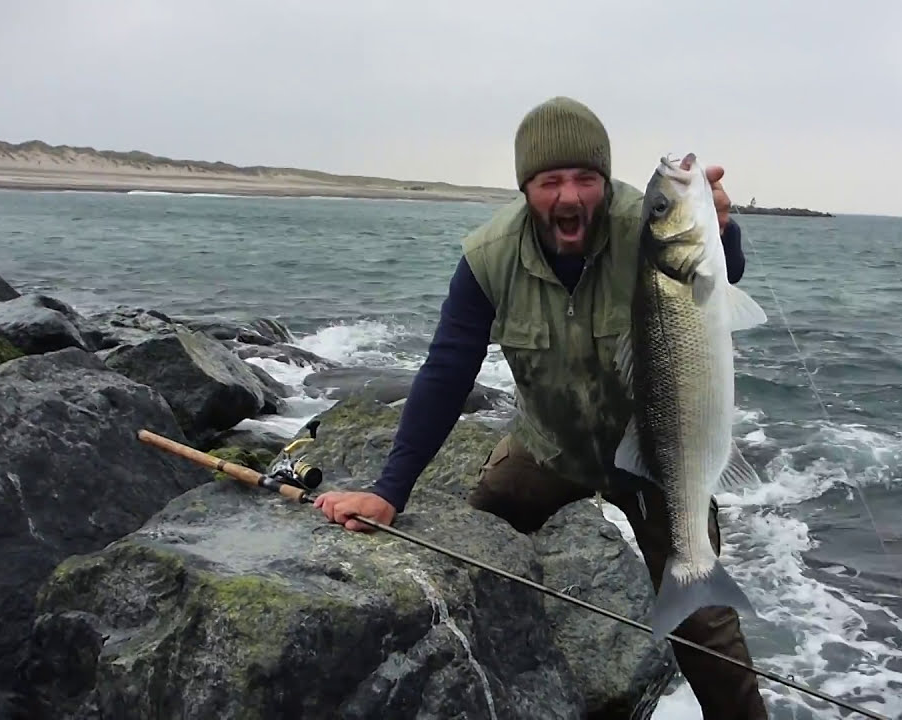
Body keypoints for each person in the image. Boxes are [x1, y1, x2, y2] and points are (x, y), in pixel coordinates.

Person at [314, 96, 768, 719]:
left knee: (707, 626)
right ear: (525, 186)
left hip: (654, 452)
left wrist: (722, 230)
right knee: (473, 545)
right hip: (548, 444)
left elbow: (723, 276)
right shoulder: (487, 258)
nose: (570, 196)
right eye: (550, 180)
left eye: (585, 178)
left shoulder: (649, 224)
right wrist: (390, 490)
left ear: (605, 183)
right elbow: (448, 372)